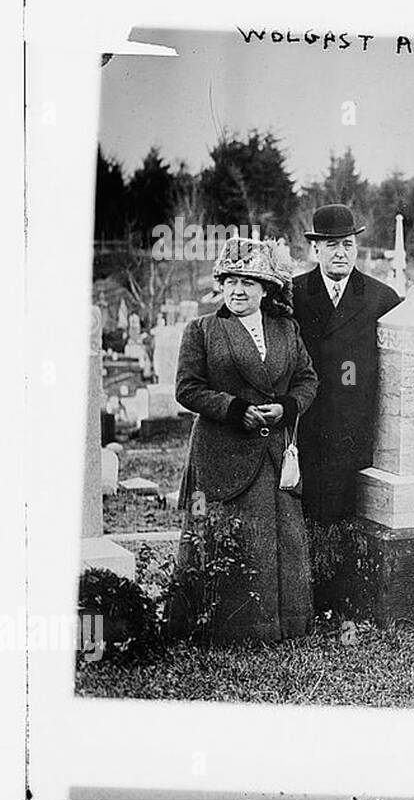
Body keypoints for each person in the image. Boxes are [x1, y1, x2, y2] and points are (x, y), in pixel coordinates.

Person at [168, 238, 319, 644]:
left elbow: (307, 379)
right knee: (224, 537)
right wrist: (235, 409)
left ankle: (283, 626)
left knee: (280, 541)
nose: (238, 290)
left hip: (274, 454)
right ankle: (222, 628)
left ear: (266, 288)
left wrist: (287, 406)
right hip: (223, 453)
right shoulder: (202, 329)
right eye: (231, 280)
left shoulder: (285, 329)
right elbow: (187, 388)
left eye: (249, 282)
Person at [292, 204, 401, 610]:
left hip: (356, 430)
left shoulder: (379, 298)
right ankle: (307, 598)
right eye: (332, 245)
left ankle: (347, 601)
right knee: (309, 513)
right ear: (315, 249)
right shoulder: (296, 294)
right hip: (307, 426)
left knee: (348, 516)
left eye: (348, 244)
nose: (341, 253)